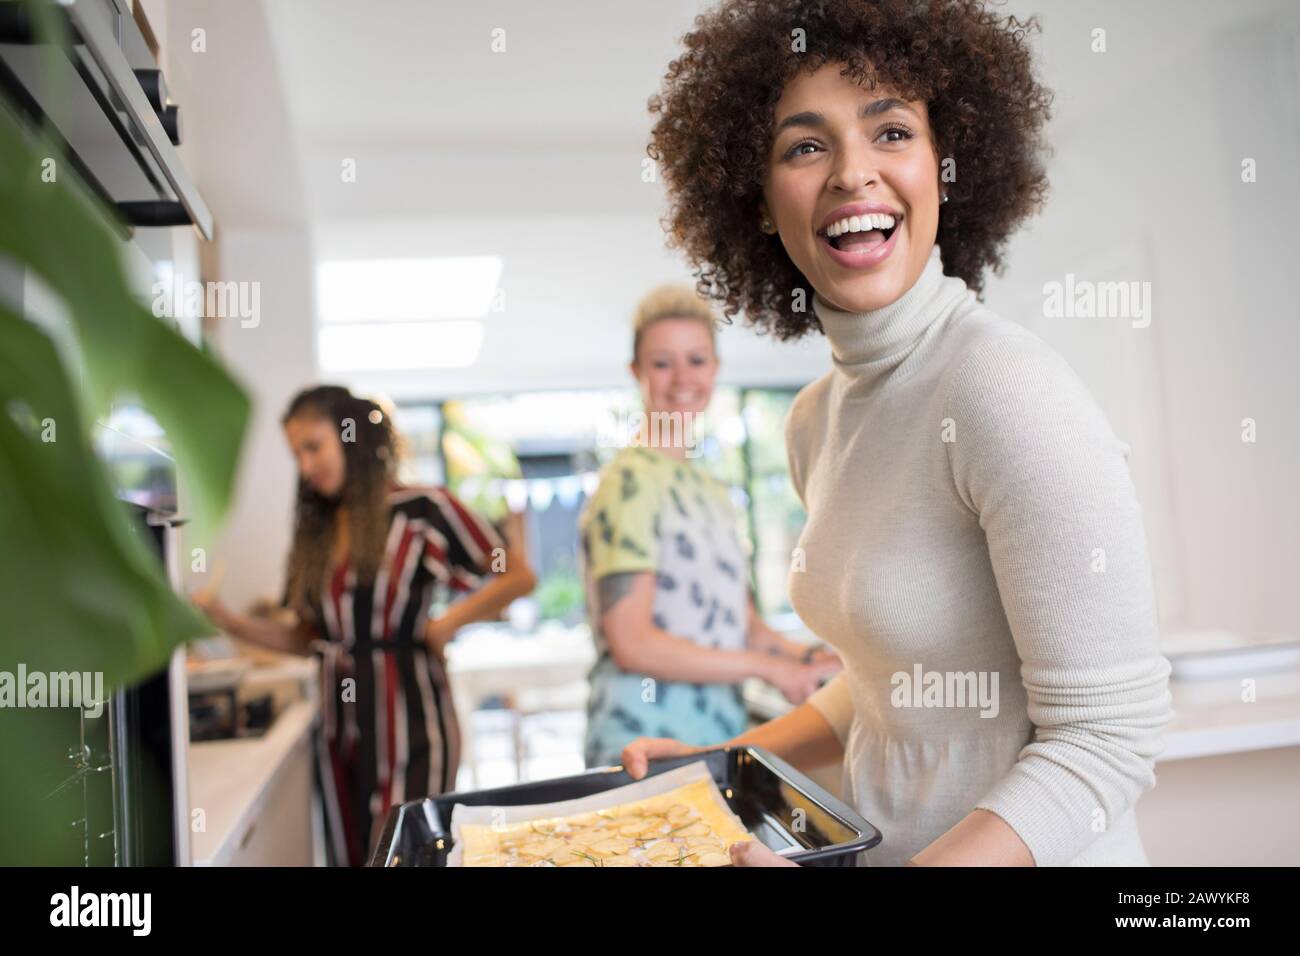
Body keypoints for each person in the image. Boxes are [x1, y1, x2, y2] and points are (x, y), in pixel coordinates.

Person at [622, 0, 1173, 867]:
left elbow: (1108, 739)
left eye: (891, 132)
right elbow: (881, 688)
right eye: (806, 146)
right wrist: (724, 761)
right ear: (759, 201)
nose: (852, 173)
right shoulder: (814, 421)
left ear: (944, 169)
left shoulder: (1003, 386)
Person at [194, 385, 536, 865]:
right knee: (353, 856)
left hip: (414, 724)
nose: (306, 466)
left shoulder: (421, 510)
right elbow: (306, 637)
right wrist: (224, 620)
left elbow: (516, 573)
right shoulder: (317, 535)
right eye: (297, 455)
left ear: (350, 436)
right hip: (340, 732)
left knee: (409, 853)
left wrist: (446, 623)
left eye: (314, 446)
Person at [579, 285, 840, 767]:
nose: (682, 379)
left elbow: (743, 624)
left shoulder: (711, 491)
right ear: (636, 372)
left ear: (715, 369)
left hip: (713, 740)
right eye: (662, 363)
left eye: (696, 360)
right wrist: (769, 668)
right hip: (641, 744)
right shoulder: (628, 483)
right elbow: (631, 642)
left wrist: (808, 659)